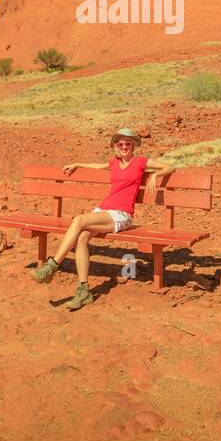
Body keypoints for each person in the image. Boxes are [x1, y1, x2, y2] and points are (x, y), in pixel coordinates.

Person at [31, 128, 174, 310]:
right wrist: (77, 164)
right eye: (120, 144)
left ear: (134, 145)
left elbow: (170, 166)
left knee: (79, 220)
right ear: (115, 146)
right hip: (104, 210)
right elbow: (97, 166)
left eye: (128, 143)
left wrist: (155, 175)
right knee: (82, 237)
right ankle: (84, 291)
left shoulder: (140, 162)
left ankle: (52, 266)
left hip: (122, 214)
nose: (124, 146)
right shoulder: (113, 162)